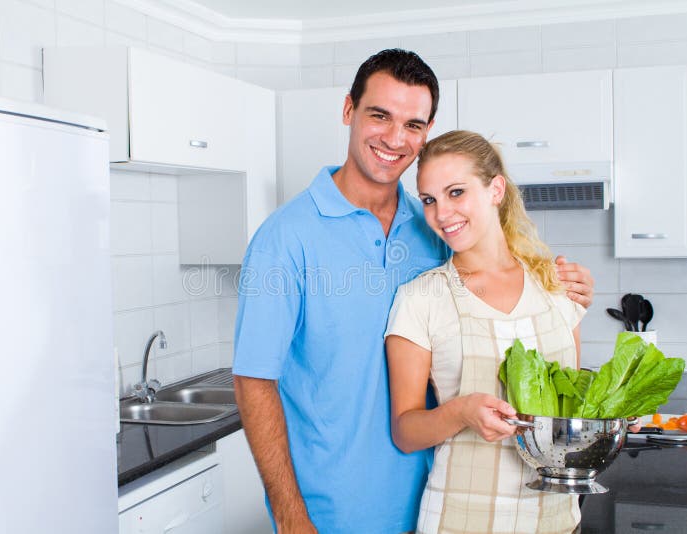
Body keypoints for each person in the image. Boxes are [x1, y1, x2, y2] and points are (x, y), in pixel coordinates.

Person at [233, 49, 595, 534]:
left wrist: (563, 284)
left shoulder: (434, 229)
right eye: (379, 115)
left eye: (412, 125)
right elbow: (254, 381)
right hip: (333, 514)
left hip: (435, 505)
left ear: (427, 131)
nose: (394, 138)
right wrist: (290, 516)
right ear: (348, 110)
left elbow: (495, 289)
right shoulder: (284, 239)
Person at [385, 130, 587, 534]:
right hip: (460, 520)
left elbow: (572, 407)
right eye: (429, 199)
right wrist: (461, 412)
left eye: (456, 192)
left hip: (557, 520)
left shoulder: (555, 285)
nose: (441, 213)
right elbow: (405, 432)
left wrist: (613, 418)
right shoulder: (421, 298)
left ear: (496, 190)